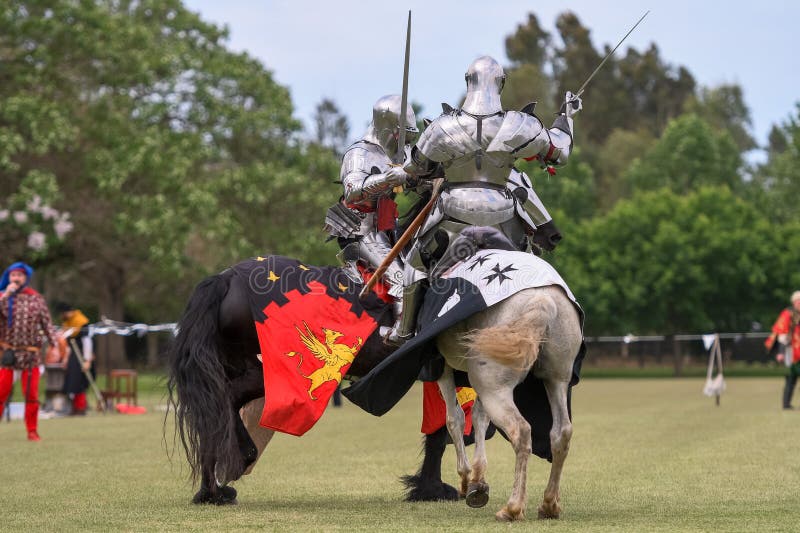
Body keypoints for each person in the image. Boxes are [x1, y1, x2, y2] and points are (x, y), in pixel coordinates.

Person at [387, 55, 582, 343]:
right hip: (502, 217)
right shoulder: (521, 125)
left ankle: (404, 332)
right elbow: (560, 152)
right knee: (528, 260)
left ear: (468, 83)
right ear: (501, 84)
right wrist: (566, 116)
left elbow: (415, 170)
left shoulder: (442, 127)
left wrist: (406, 165)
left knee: (414, 265)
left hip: (453, 215)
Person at [323, 94, 419, 330]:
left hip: (388, 229)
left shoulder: (399, 153)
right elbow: (352, 191)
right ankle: (398, 335)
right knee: (403, 282)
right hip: (361, 230)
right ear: (387, 128)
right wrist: (389, 178)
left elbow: (419, 178)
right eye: (400, 133)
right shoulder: (359, 153)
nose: (403, 140)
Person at [0, 261, 61, 440]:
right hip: (9, 354)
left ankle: (32, 430)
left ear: (25, 278)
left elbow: (47, 324)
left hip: (31, 355)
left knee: (31, 395)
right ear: (9, 277)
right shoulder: (4, 297)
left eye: (19, 275)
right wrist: (6, 295)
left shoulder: (36, 298)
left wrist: (54, 344)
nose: (16, 278)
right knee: (1, 392)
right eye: (13, 275)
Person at [56, 303, 95, 415]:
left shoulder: (81, 322)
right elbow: (67, 343)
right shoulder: (68, 323)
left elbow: (87, 341)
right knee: (72, 382)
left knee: (79, 382)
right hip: (73, 355)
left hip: (82, 355)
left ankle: (80, 408)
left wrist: (87, 360)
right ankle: (74, 407)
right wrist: (65, 359)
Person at [765, 290, 800, 409]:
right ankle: (786, 404)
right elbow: (782, 334)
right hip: (791, 351)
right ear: (794, 302)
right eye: (798, 301)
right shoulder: (788, 314)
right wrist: (780, 352)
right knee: (791, 378)